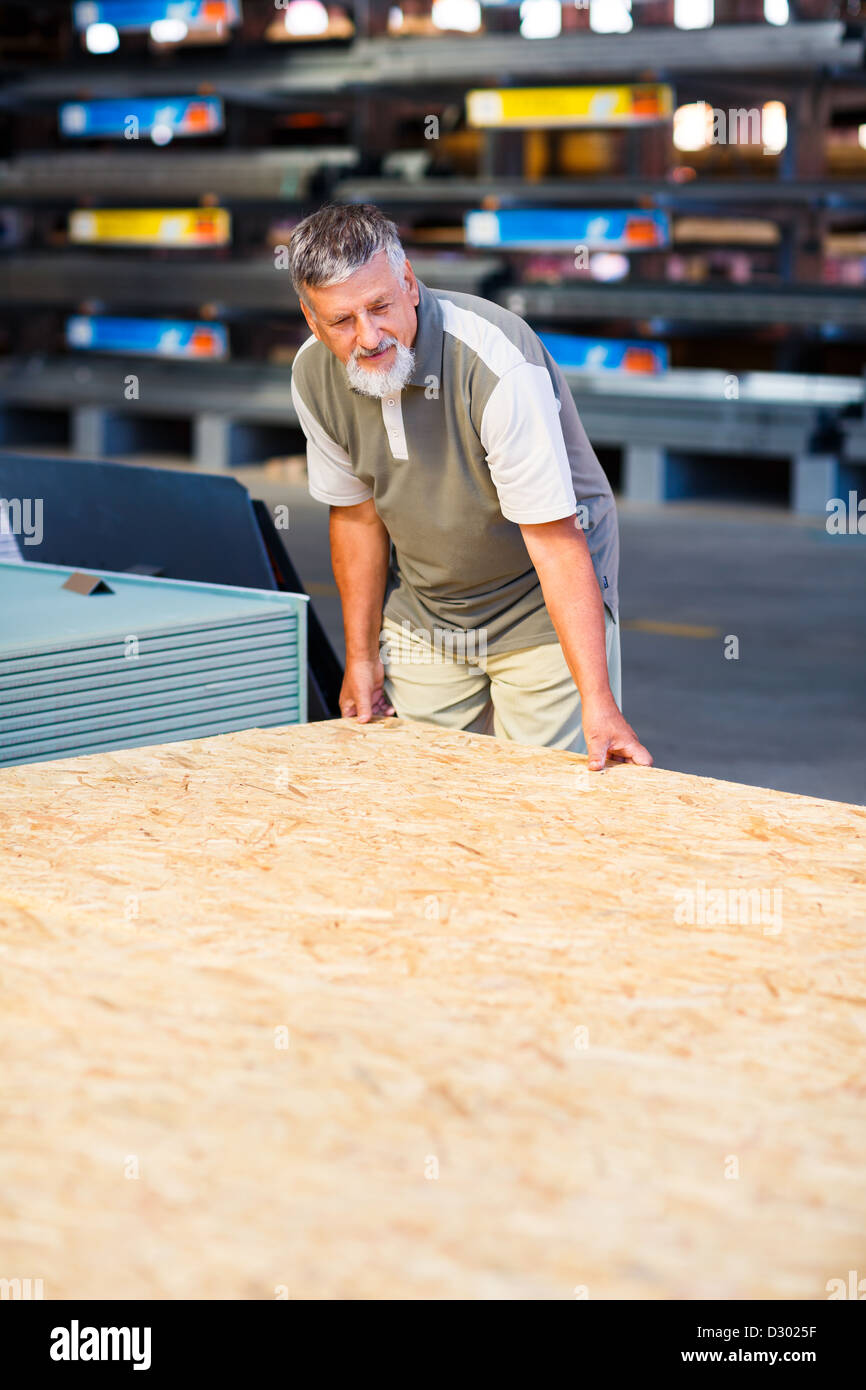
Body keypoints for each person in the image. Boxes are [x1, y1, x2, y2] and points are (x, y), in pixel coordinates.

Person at [288, 202, 652, 771]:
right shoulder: (313, 376)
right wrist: (360, 658)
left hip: (536, 606)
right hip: (427, 612)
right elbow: (357, 517)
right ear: (311, 319)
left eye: (380, 306)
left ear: (408, 283)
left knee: (546, 804)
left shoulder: (494, 362)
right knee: (421, 794)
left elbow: (553, 538)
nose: (368, 336)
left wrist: (598, 703)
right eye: (341, 321)